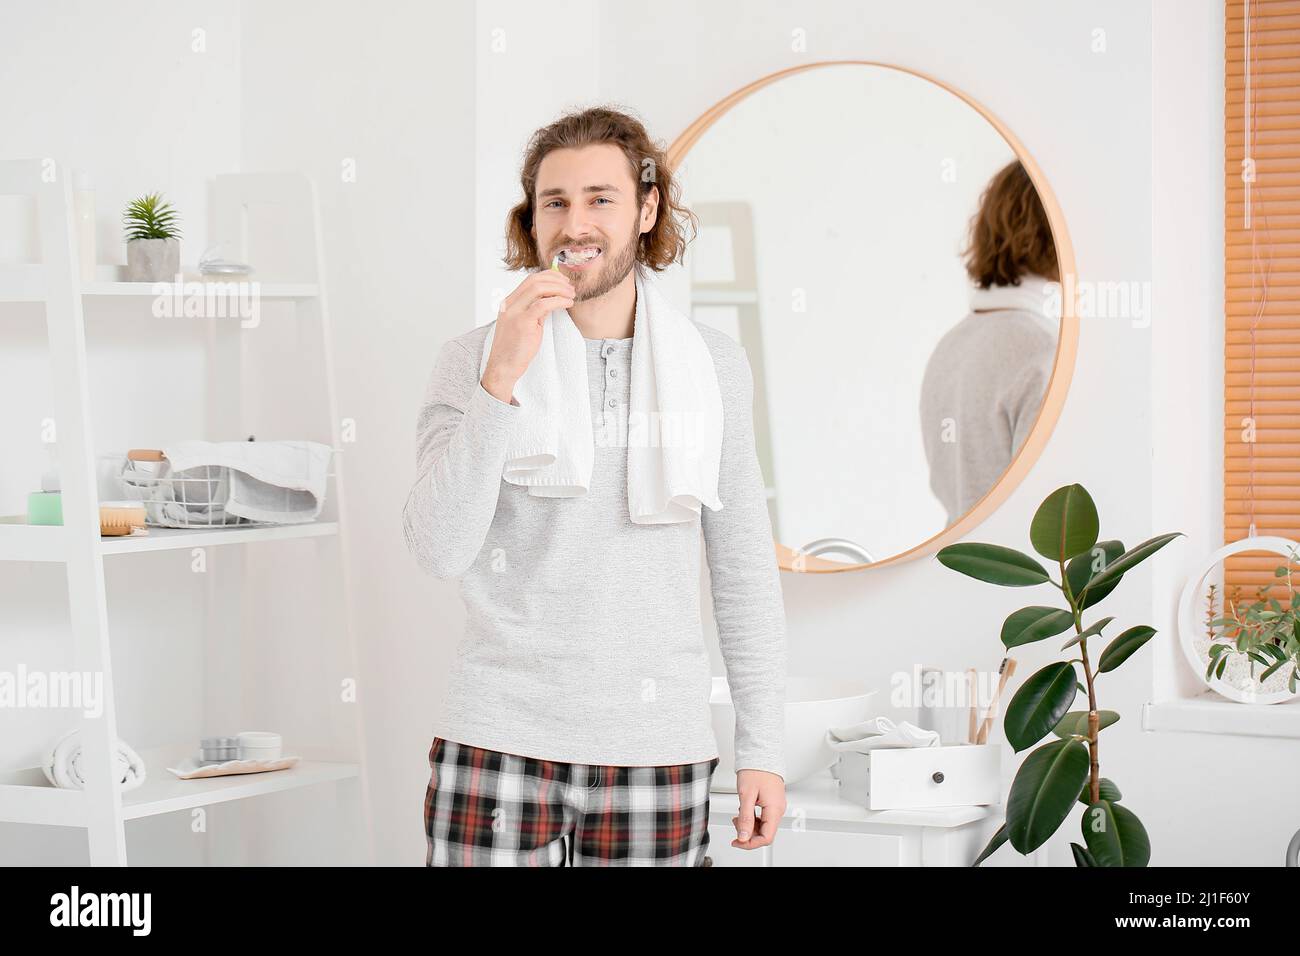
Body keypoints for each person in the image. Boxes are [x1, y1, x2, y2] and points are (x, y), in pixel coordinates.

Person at [403, 106, 787, 866]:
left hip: (656, 749)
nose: (575, 223)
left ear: (646, 209)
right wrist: (501, 380)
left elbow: (743, 568)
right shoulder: (471, 358)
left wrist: (762, 748)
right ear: (532, 218)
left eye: (600, 199)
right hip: (496, 743)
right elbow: (438, 548)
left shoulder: (714, 367)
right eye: (555, 202)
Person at [919, 160, 1061, 527]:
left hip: (951, 567)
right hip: (1021, 579)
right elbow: (1044, 510)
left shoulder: (949, 346)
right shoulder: (1043, 352)